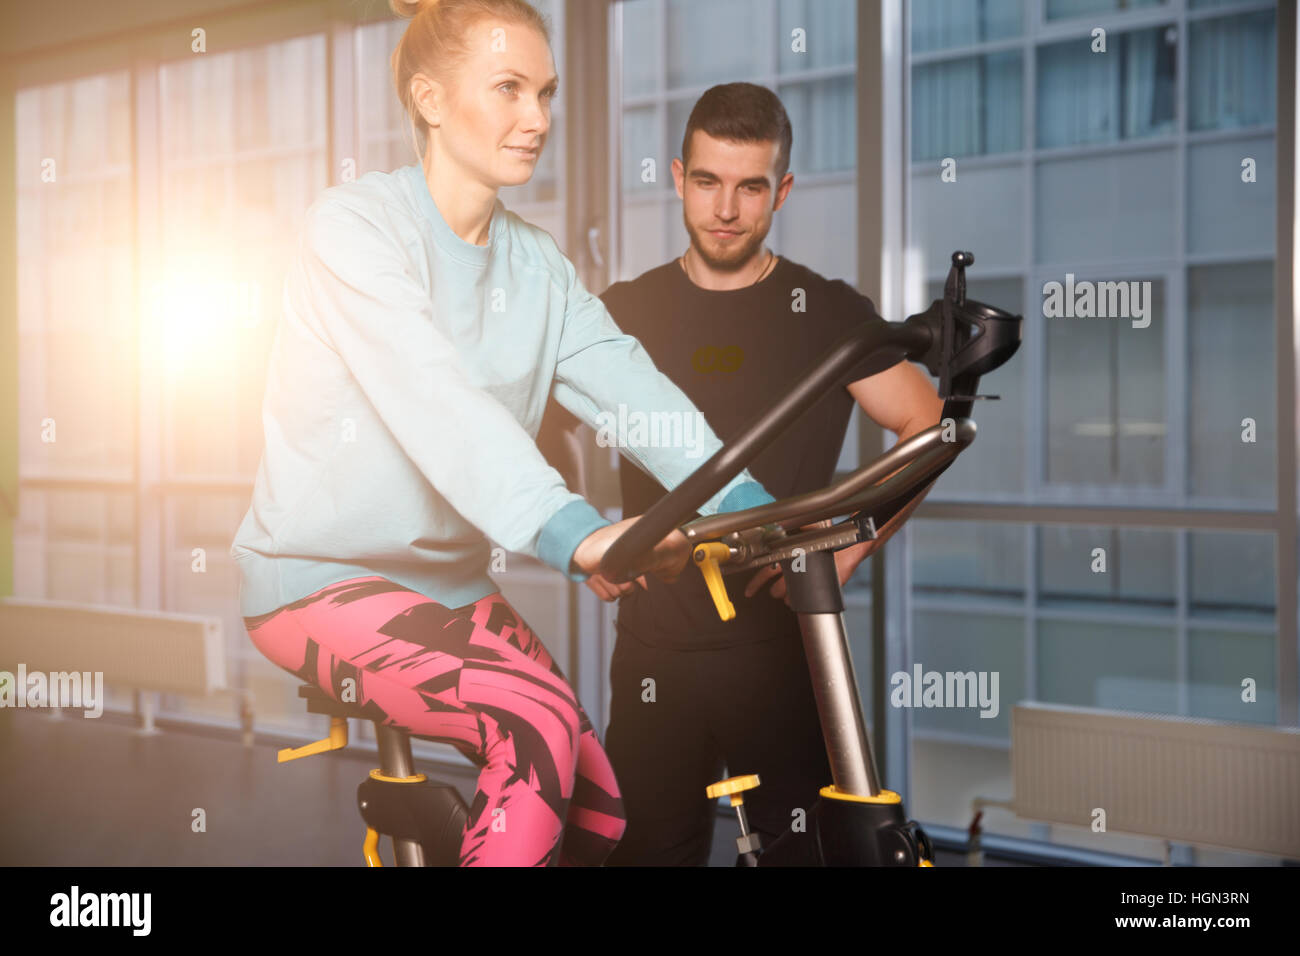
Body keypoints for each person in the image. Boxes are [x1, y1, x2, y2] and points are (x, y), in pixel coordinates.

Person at [229, 0, 774, 867]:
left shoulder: (538, 267)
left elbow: (633, 391)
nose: (538, 119)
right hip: (317, 582)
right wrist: (574, 532)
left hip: (447, 586)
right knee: (536, 726)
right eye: (510, 89)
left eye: (547, 93)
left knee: (601, 807)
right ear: (431, 99)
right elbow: (434, 398)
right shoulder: (354, 228)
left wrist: (748, 499)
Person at [585, 83, 944, 865]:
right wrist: (582, 535)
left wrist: (854, 548)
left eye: (750, 187)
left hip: (786, 653)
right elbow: (531, 430)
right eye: (708, 182)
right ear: (677, 177)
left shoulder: (827, 312)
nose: (725, 209)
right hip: (655, 656)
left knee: (804, 856)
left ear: (780, 191)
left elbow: (928, 425)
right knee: (644, 854)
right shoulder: (621, 313)